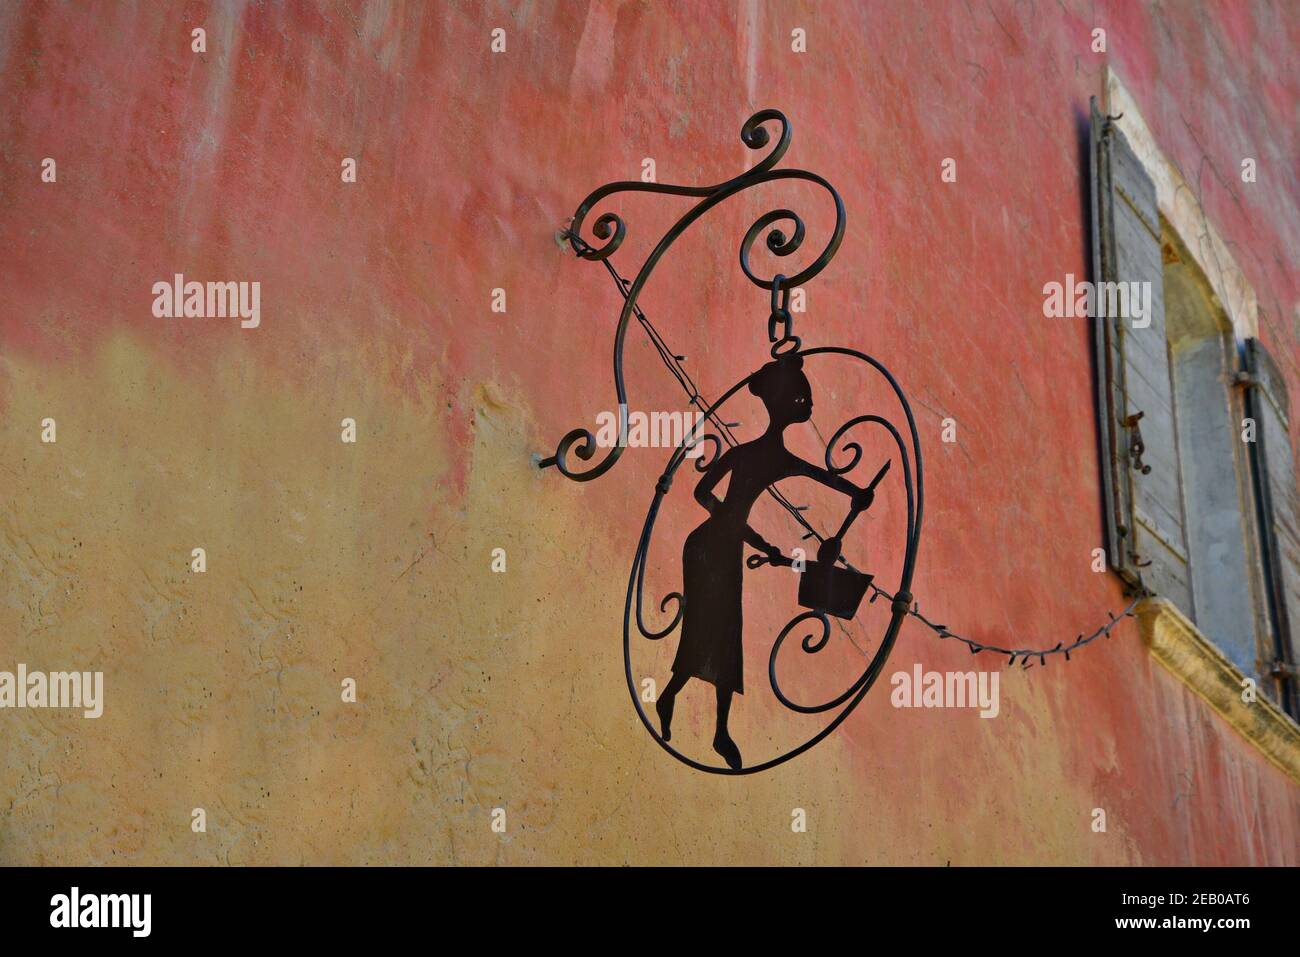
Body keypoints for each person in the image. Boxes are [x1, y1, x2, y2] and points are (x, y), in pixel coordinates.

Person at [655, 353, 876, 769]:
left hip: (725, 549)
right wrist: (746, 532)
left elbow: (818, 475)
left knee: (726, 634)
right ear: (782, 405)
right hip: (706, 550)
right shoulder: (749, 454)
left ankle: (700, 717)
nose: (805, 408)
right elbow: (702, 493)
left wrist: (854, 493)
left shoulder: (771, 457)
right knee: (710, 627)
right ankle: (686, 709)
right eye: (800, 402)